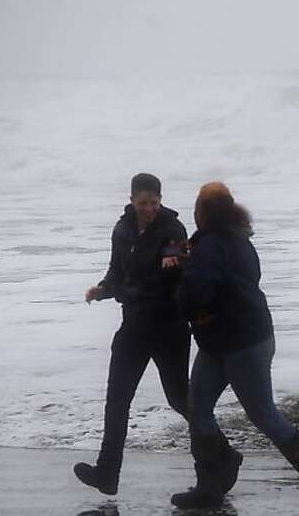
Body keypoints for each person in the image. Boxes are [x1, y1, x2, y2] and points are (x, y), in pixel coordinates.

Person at [171, 181, 299, 508]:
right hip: (229, 339)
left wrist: (180, 296)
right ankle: (208, 486)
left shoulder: (209, 247)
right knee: (198, 407)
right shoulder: (239, 240)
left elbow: (198, 294)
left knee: (263, 414)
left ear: (202, 212)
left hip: (242, 344)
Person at [75, 173, 242, 496]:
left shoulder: (173, 230)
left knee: (179, 399)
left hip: (168, 327)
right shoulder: (122, 229)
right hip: (133, 325)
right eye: (143, 203)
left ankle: (226, 454)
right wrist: (104, 288)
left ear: (160, 200)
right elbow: (117, 270)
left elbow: (171, 280)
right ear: (132, 200)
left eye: (154, 202)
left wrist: (123, 291)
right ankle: (107, 472)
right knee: (117, 399)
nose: (149, 209)